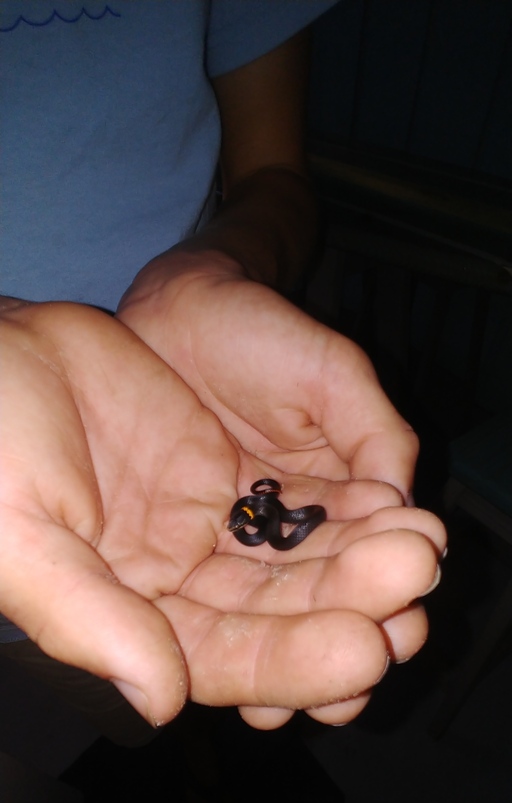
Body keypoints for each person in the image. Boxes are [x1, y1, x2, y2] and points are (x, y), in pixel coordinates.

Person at [0, 1, 446, 740]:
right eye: (260, 513)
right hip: (67, 562)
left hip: (174, 485)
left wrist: (214, 265)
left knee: (180, 706)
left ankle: (204, 785)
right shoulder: (254, 508)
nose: (263, 513)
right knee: (111, 704)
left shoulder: (260, 508)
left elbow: (276, 176)